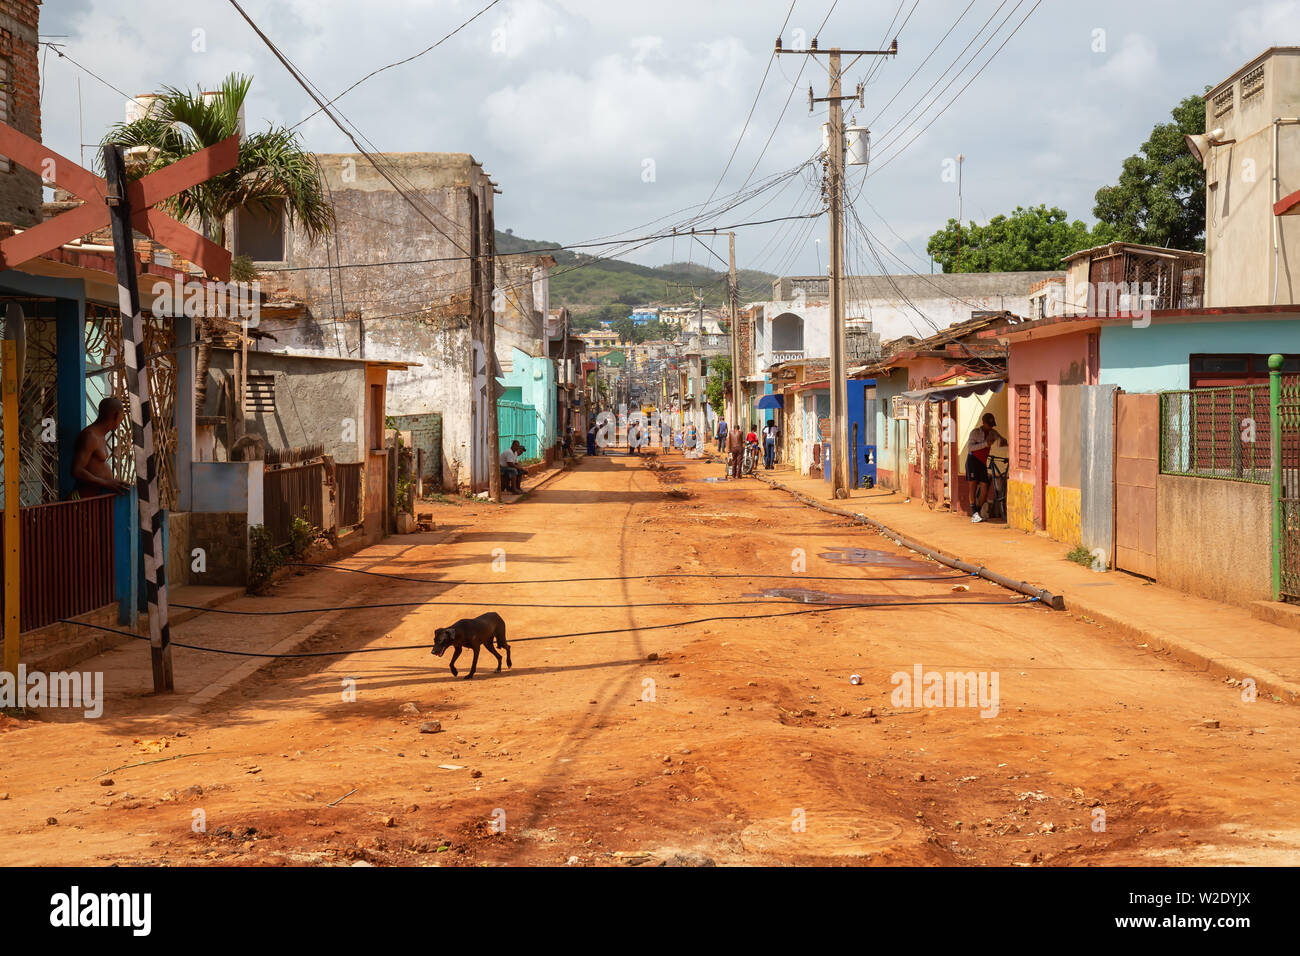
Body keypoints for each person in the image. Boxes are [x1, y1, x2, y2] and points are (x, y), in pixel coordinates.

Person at [71, 397, 131, 498]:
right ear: (116, 416)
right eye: (122, 417)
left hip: (95, 498)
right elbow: (76, 470)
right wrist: (106, 483)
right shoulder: (90, 436)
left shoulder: (101, 436)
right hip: (82, 499)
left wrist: (111, 482)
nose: (121, 421)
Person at [967, 412, 1008, 523]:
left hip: (982, 463)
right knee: (973, 486)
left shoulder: (992, 432)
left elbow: (1001, 441)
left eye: (992, 425)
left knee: (985, 487)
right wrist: (985, 444)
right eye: (988, 425)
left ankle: (977, 512)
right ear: (983, 423)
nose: (990, 427)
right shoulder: (975, 433)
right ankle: (974, 512)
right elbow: (969, 448)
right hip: (972, 461)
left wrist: (1002, 441)